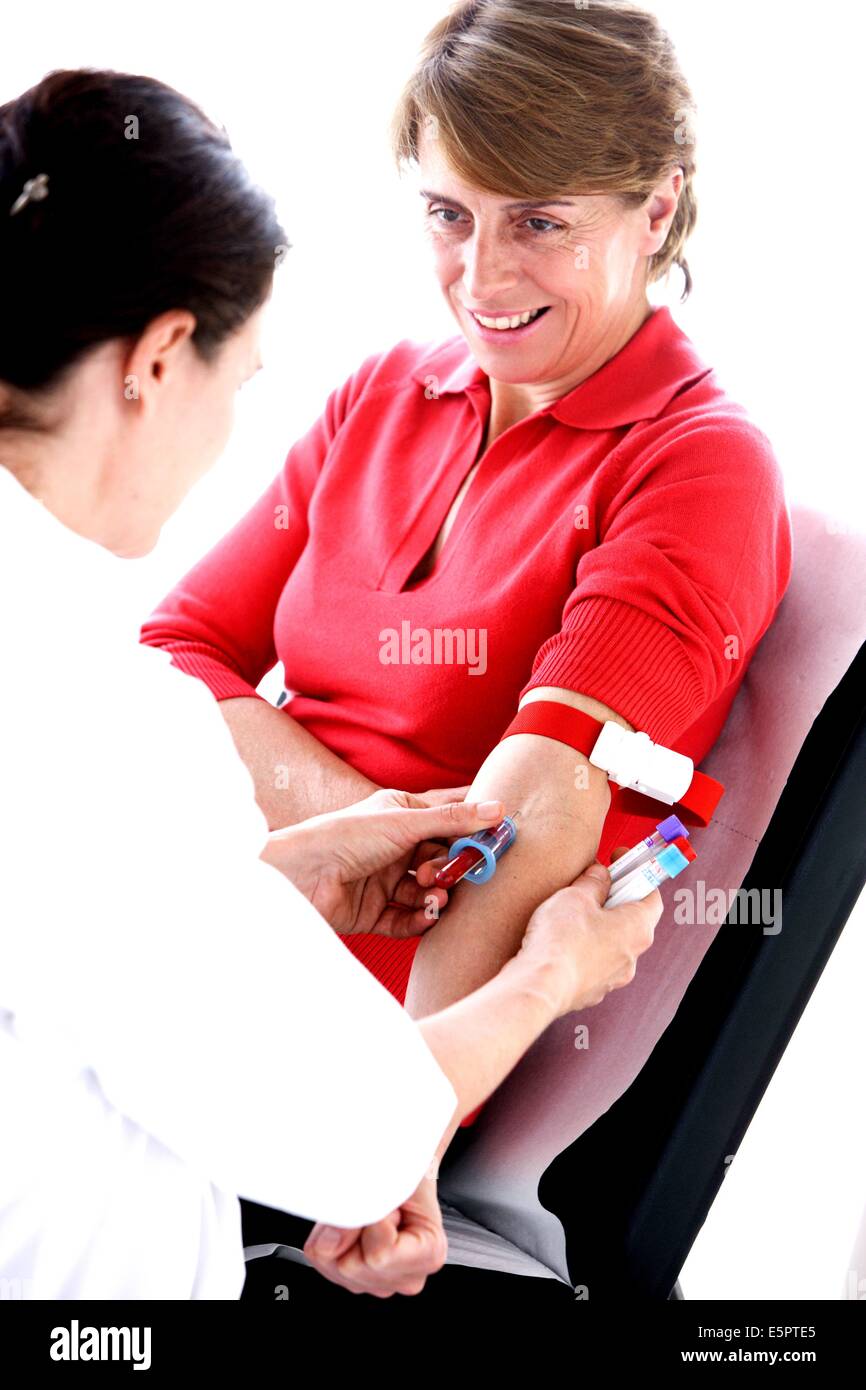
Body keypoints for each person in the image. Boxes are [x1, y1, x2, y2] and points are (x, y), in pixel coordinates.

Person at [0, 67, 662, 1301]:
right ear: (154, 360)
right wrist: (551, 972)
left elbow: (75, 927)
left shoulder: (71, 692)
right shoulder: (97, 721)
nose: (481, 277)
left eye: (540, 219)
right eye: (242, 380)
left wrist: (259, 882)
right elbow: (352, 1137)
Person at [141, 0, 793, 1112]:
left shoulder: (699, 465)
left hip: (362, 1053)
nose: (480, 279)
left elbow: (535, 817)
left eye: (539, 223)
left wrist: (399, 1142)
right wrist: (366, 835)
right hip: (209, 946)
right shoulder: (387, 387)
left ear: (655, 207)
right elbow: (170, 659)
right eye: (448, 213)